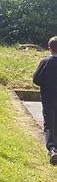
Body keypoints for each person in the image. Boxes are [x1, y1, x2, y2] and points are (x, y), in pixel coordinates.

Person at [33, 36, 57, 165]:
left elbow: (36, 79)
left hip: (48, 98)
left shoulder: (45, 62)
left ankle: (52, 148)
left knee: (49, 123)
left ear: (49, 48)